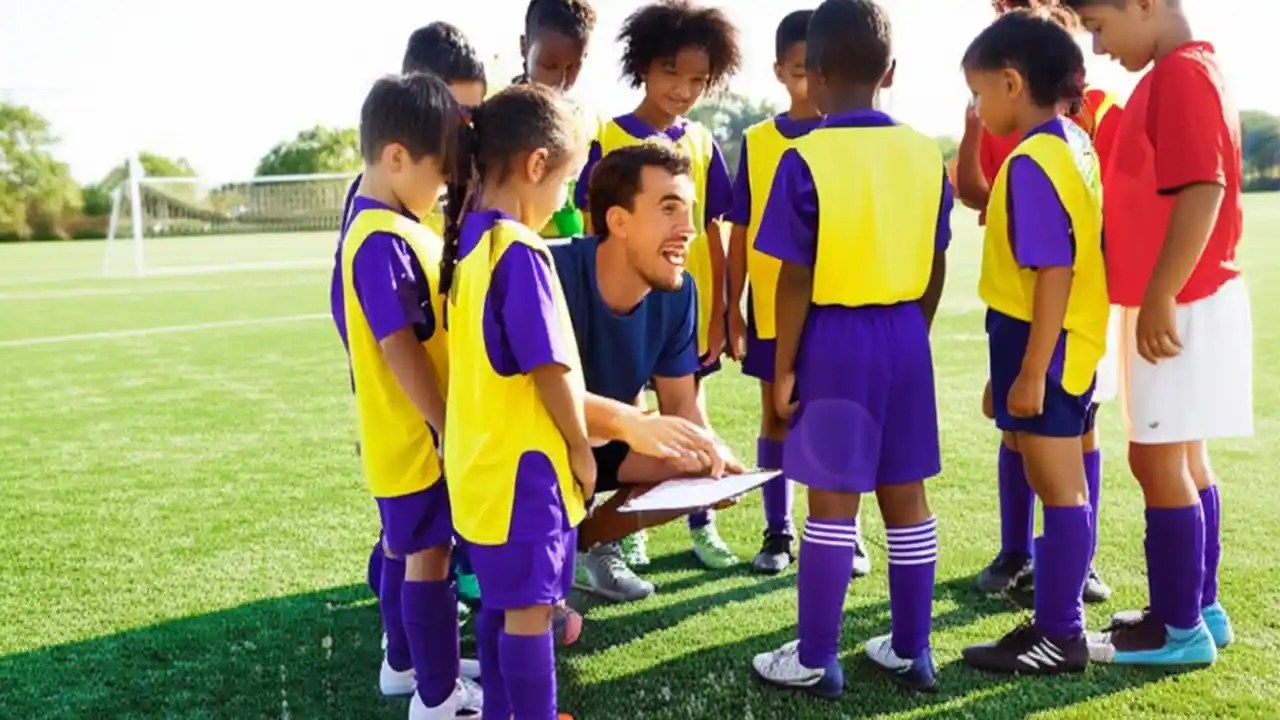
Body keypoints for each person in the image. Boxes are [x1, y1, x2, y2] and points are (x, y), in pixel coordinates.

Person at [750, 0, 950, 695]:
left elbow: (794, 278)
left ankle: (815, 656)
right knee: (907, 496)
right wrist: (910, 330)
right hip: (904, 335)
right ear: (890, 72)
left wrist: (781, 373)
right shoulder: (927, 153)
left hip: (833, 339)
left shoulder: (804, 158)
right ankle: (913, 649)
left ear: (816, 78)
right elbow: (937, 260)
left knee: (832, 503)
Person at [1066, 0, 1250, 666]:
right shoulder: (1189, 69)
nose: (1099, 45)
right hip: (1189, 296)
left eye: (1100, 27)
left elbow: (1203, 186)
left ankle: (1179, 634)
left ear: (1142, 4)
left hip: (1179, 299)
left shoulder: (1179, 74)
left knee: (1155, 460)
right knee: (1185, 458)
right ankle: (1198, 607)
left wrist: (1162, 292)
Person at [957, 10, 1106, 675]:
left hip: (1047, 345)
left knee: (1060, 488)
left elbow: (1055, 271)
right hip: (1055, 340)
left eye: (980, 92)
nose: (978, 107)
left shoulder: (1030, 162)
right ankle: (1052, 624)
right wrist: (1008, 368)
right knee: (1059, 483)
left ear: (1012, 82)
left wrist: (1030, 370)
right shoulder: (1072, 142)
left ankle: (1061, 635)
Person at [439, 83, 592, 720]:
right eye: (566, 182)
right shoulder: (519, 250)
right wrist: (583, 451)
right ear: (535, 166)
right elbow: (549, 367)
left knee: (502, 609)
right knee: (530, 617)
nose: (564, 201)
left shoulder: (468, 244)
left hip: (481, 474)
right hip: (526, 476)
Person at [331, 73, 482, 717]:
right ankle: (437, 694)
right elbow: (399, 350)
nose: (443, 188)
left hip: (404, 437)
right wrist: (447, 423)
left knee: (404, 548)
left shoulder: (392, 224)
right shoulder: (382, 239)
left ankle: (405, 662)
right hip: (417, 437)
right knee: (429, 555)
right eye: (438, 174)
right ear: (396, 157)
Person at [573, 0, 743, 572]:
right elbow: (595, 229)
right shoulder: (608, 135)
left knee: (689, 415)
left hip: (675, 306)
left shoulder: (703, 141)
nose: (684, 88)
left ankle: (699, 519)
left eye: (698, 79)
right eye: (672, 71)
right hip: (624, 307)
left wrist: (721, 309)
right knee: (629, 408)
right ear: (643, 65)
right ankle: (611, 538)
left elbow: (713, 231)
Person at [552, 144, 745, 603]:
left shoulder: (679, 292)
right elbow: (523, 397)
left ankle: (583, 545)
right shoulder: (549, 271)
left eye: (690, 212)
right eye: (669, 210)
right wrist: (634, 425)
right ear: (618, 222)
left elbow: (681, 406)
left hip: (610, 442)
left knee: (695, 459)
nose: (688, 230)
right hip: (534, 442)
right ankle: (491, 558)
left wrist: (715, 455)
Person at [724, 9, 872, 580]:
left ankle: (848, 532)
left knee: (836, 419)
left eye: (819, 69)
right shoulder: (760, 141)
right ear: (781, 71)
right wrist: (731, 308)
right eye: (798, 69)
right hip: (769, 306)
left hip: (836, 307)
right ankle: (778, 529)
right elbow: (740, 229)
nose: (809, 81)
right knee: (776, 416)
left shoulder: (852, 139)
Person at [513, 0, 599, 240]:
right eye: (549, 65)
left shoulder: (588, 123)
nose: (561, 79)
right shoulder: (497, 115)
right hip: (513, 246)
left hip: (570, 252)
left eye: (573, 67)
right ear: (524, 47)